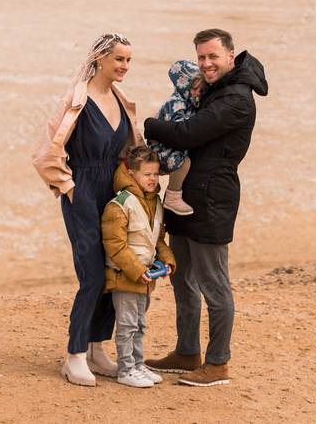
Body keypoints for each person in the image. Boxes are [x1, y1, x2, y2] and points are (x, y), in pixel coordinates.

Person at [143, 29, 268, 387]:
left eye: (213, 56)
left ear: (231, 55)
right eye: (201, 57)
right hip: (187, 196)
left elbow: (188, 134)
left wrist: (150, 125)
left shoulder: (236, 99)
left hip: (213, 198)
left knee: (214, 283)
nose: (206, 63)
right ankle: (187, 352)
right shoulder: (214, 89)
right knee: (181, 275)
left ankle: (217, 364)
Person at [31, 33, 142, 387]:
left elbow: (130, 150)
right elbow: (46, 152)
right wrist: (71, 189)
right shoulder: (75, 100)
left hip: (115, 195)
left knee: (113, 271)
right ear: (99, 59)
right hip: (83, 193)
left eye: (128, 60)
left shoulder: (123, 101)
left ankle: (97, 350)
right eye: (119, 59)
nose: (124, 66)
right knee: (92, 275)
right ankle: (74, 355)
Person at [101, 145, 176, 388]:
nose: (153, 179)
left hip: (145, 276)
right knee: (127, 325)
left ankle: (137, 363)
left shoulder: (154, 203)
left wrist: (167, 259)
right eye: (147, 174)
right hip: (126, 276)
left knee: (139, 324)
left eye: (155, 174)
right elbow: (114, 245)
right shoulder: (120, 204)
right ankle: (125, 369)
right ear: (132, 173)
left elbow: (157, 240)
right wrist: (137, 270)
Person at [147, 59, 209, 216]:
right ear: (183, 85)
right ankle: (173, 197)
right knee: (184, 163)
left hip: (170, 144)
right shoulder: (176, 103)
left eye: (201, 91)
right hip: (163, 147)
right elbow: (177, 131)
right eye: (194, 88)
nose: (197, 93)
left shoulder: (187, 102)